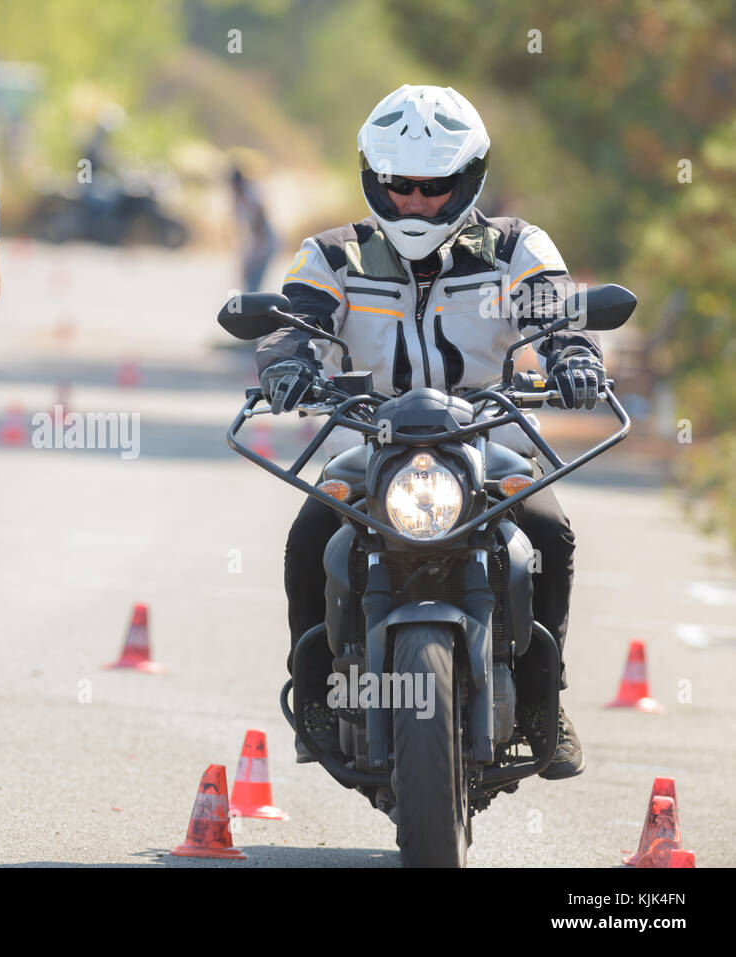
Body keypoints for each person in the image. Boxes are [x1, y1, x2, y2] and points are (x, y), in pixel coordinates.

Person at [256, 85, 605, 780]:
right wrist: (288, 365)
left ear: (468, 179)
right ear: (373, 180)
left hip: (490, 437)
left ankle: (544, 700)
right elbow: (290, 327)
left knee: (551, 533)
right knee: (306, 534)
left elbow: (560, 317)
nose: (415, 201)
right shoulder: (334, 255)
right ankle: (322, 696)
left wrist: (576, 359)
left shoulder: (514, 248)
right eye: (399, 185)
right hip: (370, 440)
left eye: (434, 186)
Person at [229, 164, 278, 293]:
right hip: (255, 243)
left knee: (253, 284)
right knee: (247, 282)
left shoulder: (251, 193)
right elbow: (240, 230)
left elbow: (259, 225)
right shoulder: (236, 200)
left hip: (265, 242)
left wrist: (253, 257)